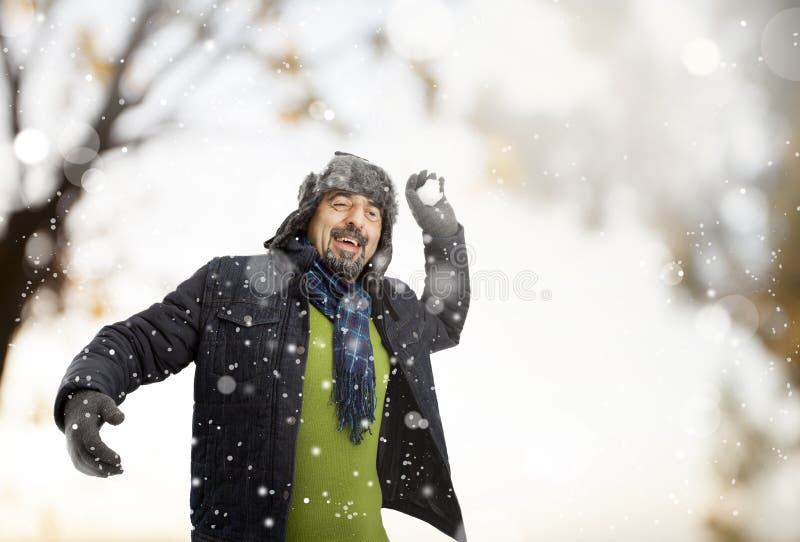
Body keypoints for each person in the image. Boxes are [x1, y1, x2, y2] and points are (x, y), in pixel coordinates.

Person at [53, 151, 471, 542]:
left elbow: (445, 316)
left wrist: (443, 235)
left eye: (372, 213)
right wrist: (85, 392)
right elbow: (138, 340)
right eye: (340, 204)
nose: (356, 221)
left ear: (380, 237)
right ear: (309, 215)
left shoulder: (389, 307)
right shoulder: (233, 284)